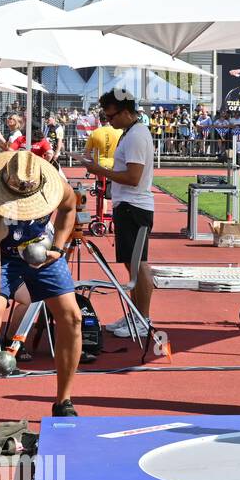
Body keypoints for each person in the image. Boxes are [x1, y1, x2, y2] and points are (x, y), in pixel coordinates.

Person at [0, 150, 83, 434]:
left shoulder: (55, 185)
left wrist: (59, 248)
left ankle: (63, 400)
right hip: (2, 256)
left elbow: (69, 208)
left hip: (41, 250)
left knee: (73, 317)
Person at [79, 89, 155, 339]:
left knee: (138, 264)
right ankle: (137, 313)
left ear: (124, 112)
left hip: (134, 206)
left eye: (110, 116)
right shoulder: (131, 133)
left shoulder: (135, 136)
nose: (108, 121)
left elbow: (133, 177)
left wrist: (99, 169)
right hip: (130, 205)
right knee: (132, 264)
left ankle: (143, 318)